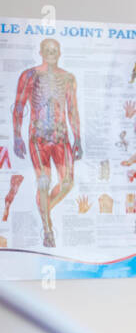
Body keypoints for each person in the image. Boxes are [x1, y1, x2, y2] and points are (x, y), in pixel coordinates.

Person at [11, 38, 80, 248]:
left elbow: (72, 109)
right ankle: (47, 229)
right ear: (41, 52)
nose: (51, 52)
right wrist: (17, 135)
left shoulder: (68, 78)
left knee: (67, 183)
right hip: (38, 136)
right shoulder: (30, 75)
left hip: (61, 137)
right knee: (43, 181)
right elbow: (19, 105)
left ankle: (45, 209)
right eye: (47, 49)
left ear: (59, 53)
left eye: (55, 49)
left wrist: (77, 137)